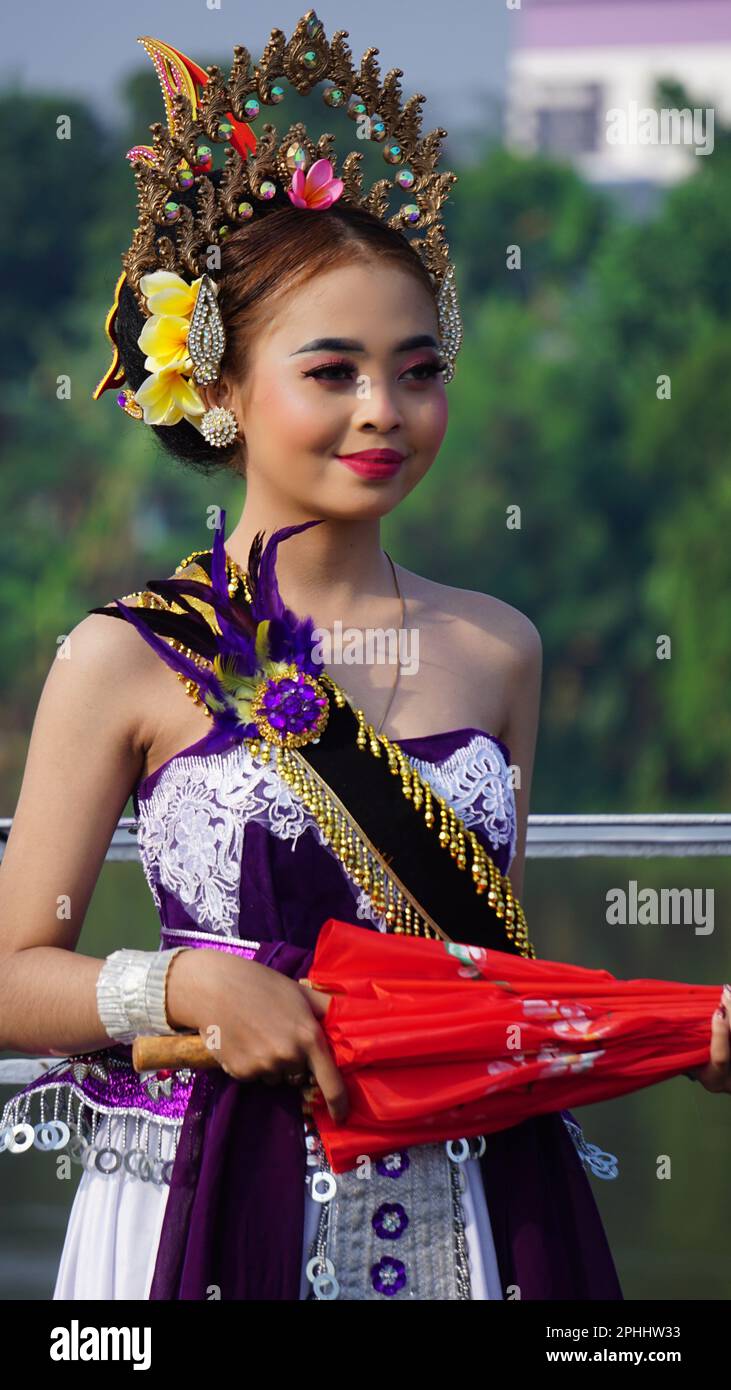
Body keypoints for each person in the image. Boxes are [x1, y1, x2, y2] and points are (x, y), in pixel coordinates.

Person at [1, 13, 728, 1303]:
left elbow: (485, 981)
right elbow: (11, 979)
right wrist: (189, 983)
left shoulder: (500, 647)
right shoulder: (126, 656)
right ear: (217, 388)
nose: (382, 410)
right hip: (214, 1194)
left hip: (479, 1197)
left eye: (418, 369)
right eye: (331, 370)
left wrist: (667, 1035)